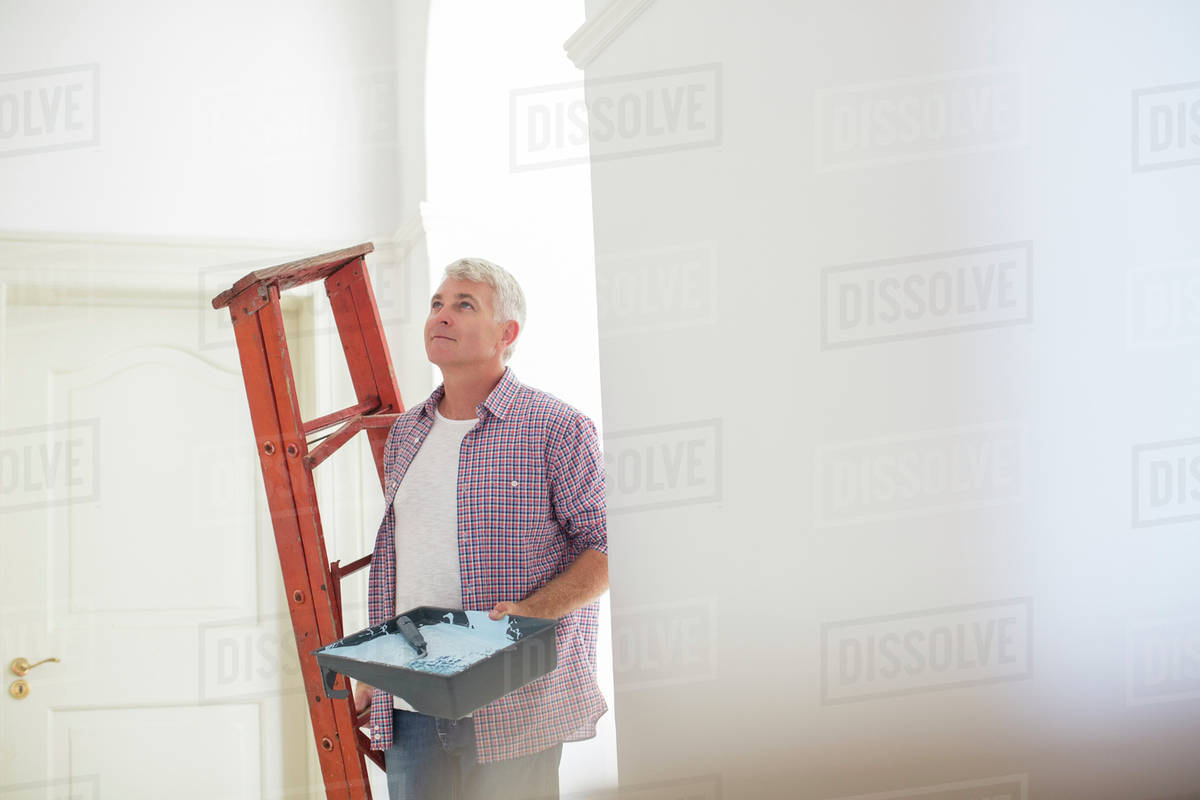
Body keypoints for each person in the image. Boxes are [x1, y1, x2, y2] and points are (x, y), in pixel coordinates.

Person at [353, 257, 609, 800]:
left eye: (464, 305)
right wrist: (376, 673)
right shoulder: (406, 433)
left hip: (512, 700)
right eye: (437, 304)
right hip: (412, 705)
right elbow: (405, 565)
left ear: (506, 333)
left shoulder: (558, 429)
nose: (441, 315)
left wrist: (532, 611)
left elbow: (608, 550)